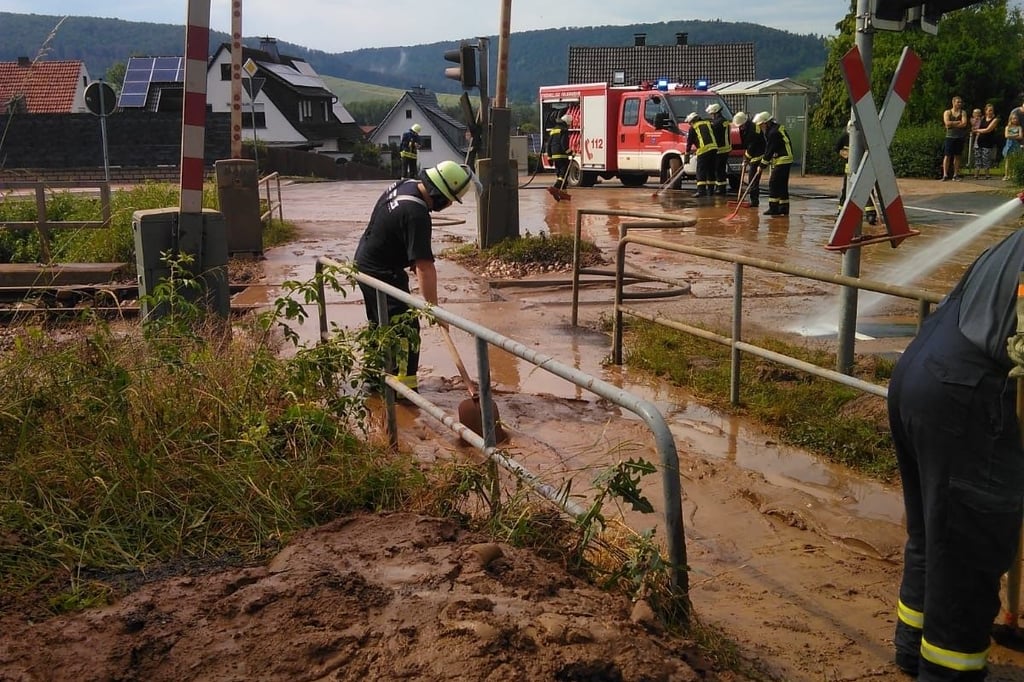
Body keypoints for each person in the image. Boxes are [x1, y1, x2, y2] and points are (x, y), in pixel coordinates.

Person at [888, 228, 1024, 681]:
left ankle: (913, 651)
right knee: (968, 554)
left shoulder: (1012, 242)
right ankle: (949, 673)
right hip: (966, 398)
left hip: (920, 377)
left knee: (934, 536)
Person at [354, 160, 477, 393]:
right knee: (405, 330)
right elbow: (425, 267)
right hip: (382, 272)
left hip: (365, 263)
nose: (450, 204)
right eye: (450, 199)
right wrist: (434, 310)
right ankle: (402, 390)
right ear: (439, 195)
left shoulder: (406, 184)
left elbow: (394, 229)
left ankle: (375, 379)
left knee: (380, 325)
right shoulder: (417, 214)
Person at [834, 119, 878, 225]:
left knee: (867, 190)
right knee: (846, 191)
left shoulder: (864, 138)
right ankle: (841, 213)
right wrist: (845, 154)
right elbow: (837, 149)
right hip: (850, 171)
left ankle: (871, 214)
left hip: (864, 169)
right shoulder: (844, 138)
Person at [754, 111, 793, 216]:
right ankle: (783, 208)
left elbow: (769, 151)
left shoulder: (773, 133)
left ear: (766, 123)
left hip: (783, 159)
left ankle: (773, 208)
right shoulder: (776, 128)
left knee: (773, 182)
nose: (760, 127)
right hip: (786, 158)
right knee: (782, 184)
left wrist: (761, 165)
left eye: (761, 125)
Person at [732, 111, 765, 208]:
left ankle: (754, 201)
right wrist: (746, 157)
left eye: (741, 126)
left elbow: (751, 147)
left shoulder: (752, 130)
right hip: (753, 154)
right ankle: (752, 199)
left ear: (745, 122)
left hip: (758, 155)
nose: (740, 128)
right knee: (752, 179)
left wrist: (746, 158)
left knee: (753, 179)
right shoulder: (746, 127)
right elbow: (746, 145)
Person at [684, 111, 717, 198]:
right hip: (714, 149)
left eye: (690, 123)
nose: (690, 125)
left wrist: (687, 155)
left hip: (704, 150)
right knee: (710, 170)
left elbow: (689, 142)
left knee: (700, 171)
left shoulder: (693, 127)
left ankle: (701, 191)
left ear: (692, 121)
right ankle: (710, 191)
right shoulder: (708, 123)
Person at [546, 112, 573, 201]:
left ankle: (563, 193)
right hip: (562, 156)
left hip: (554, 156)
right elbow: (563, 143)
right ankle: (555, 188)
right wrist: (570, 152)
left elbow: (548, 144)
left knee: (559, 174)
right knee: (564, 174)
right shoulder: (564, 130)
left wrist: (549, 157)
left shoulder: (553, 130)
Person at [941, 96, 969, 181]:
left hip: (959, 137)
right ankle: (945, 175)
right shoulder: (947, 112)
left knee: (957, 156)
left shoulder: (963, 112)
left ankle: (955, 175)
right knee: (947, 156)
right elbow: (946, 123)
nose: (959, 104)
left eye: (960, 102)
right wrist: (957, 122)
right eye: (958, 102)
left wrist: (951, 124)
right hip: (950, 137)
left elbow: (964, 123)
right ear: (953, 102)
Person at [706, 103, 730, 196]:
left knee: (719, 169)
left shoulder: (719, 122)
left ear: (715, 113)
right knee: (720, 169)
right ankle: (719, 187)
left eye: (711, 114)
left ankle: (721, 189)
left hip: (721, 149)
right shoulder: (723, 120)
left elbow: (712, 132)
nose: (710, 116)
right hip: (724, 148)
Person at [973, 103, 1000, 180]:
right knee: (977, 157)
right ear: (986, 111)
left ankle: (987, 174)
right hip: (979, 140)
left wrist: (977, 130)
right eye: (989, 110)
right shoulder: (982, 119)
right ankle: (976, 174)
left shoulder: (995, 120)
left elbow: (988, 130)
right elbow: (974, 127)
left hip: (988, 141)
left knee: (986, 158)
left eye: (992, 110)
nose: (991, 112)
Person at [1004, 111, 1024, 181]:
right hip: (1009, 145)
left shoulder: (1019, 127)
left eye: (1016, 118)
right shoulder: (1007, 127)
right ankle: (1006, 175)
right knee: (1008, 161)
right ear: (1011, 119)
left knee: (1015, 160)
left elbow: (1020, 136)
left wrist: (1012, 136)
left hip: (1016, 145)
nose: (1015, 120)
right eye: (1013, 119)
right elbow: (1006, 136)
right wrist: (1016, 135)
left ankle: (1013, 175)